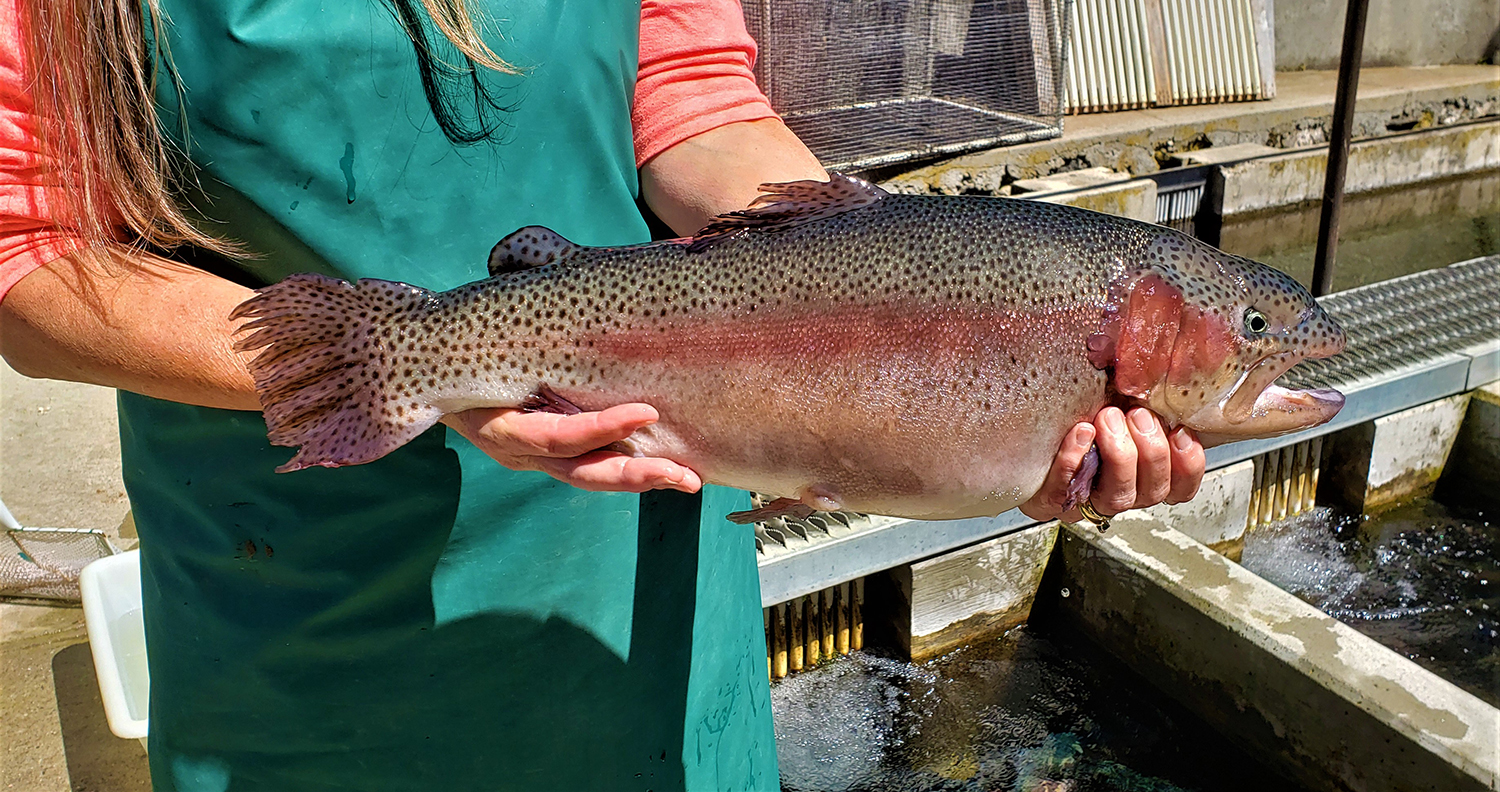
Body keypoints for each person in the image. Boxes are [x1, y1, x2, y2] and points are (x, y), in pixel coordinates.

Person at [0, 0, 1206, 788]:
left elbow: (694, 102)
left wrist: (910, 332)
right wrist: (409, 362)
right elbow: (27, 250)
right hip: (303, 584)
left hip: (642, 561)